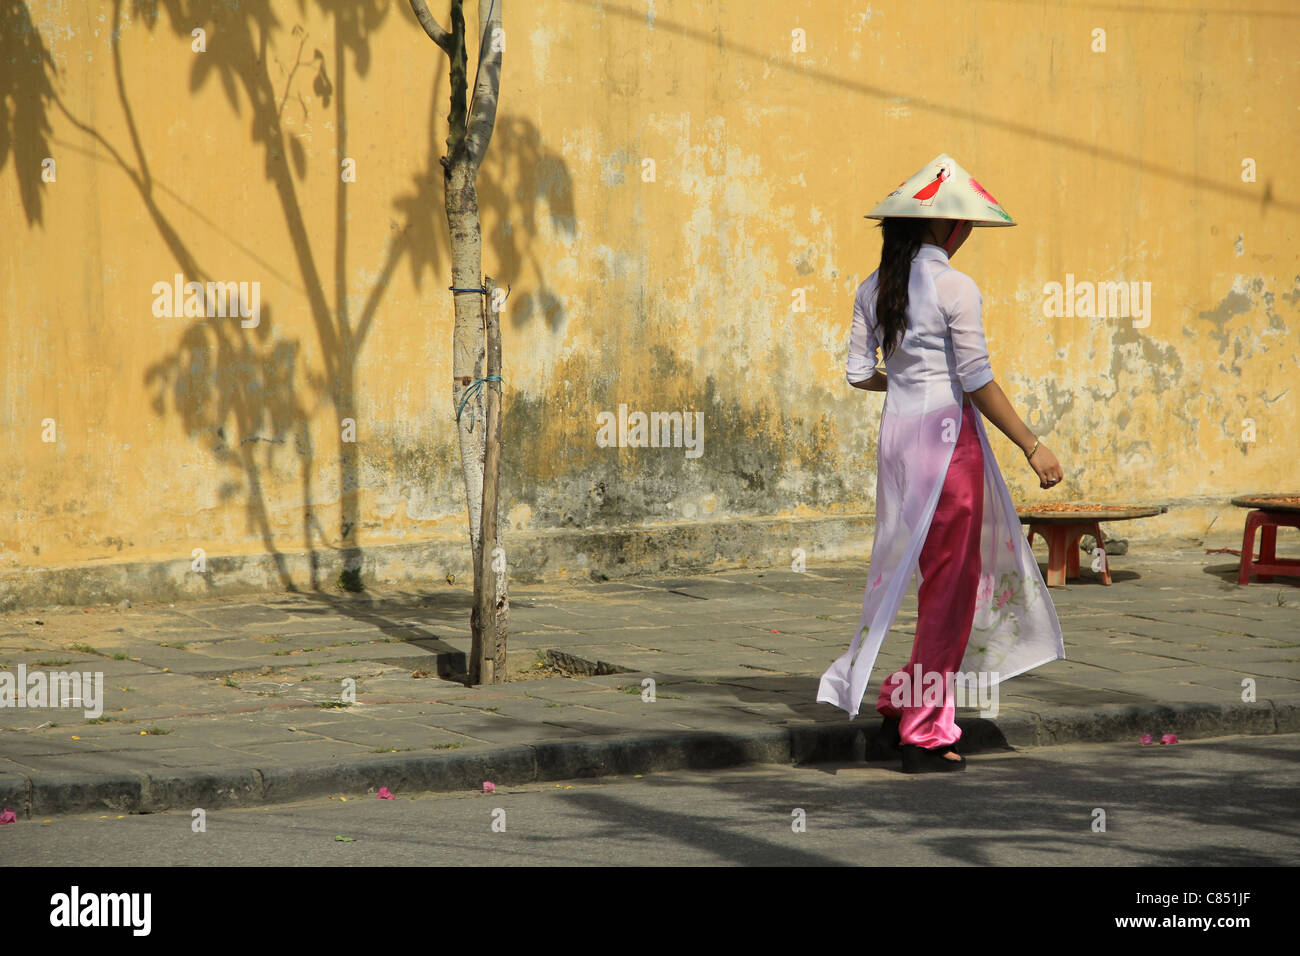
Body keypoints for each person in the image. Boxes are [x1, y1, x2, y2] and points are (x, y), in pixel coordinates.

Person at [816, 154, 1067, 773]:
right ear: (947, 229)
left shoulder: (872, 287)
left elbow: (856, 374)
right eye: (967, 228)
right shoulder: (955, 286)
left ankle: (900, 698)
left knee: (922, 579)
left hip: (898, 446)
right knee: (951, 589)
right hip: (950, 445)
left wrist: (907, 382)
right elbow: (978, 379)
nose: (968, 237)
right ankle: (925, 732)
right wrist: (1033, 445)